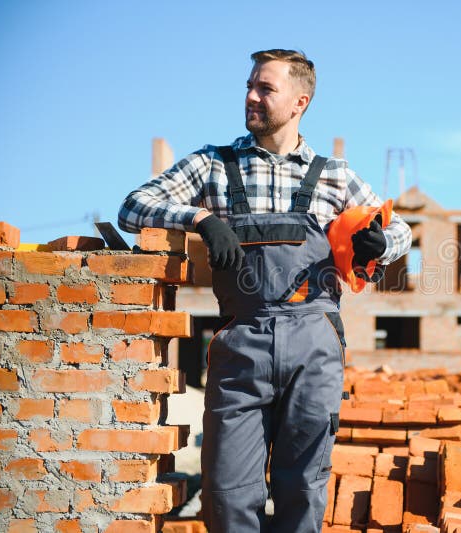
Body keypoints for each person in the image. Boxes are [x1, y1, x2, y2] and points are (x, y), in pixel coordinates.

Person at [118, 49, 411, 533]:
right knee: (227, 492)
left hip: (314, 345)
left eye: (265, 88)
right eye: (249, 86)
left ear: (300, 102)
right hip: (242, 344)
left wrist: (381, 243)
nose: (251, 97)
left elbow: (400, 231)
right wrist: (201, 217)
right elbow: (133, 207)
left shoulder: (334, 175)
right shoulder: (212, 165)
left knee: (303, 490)